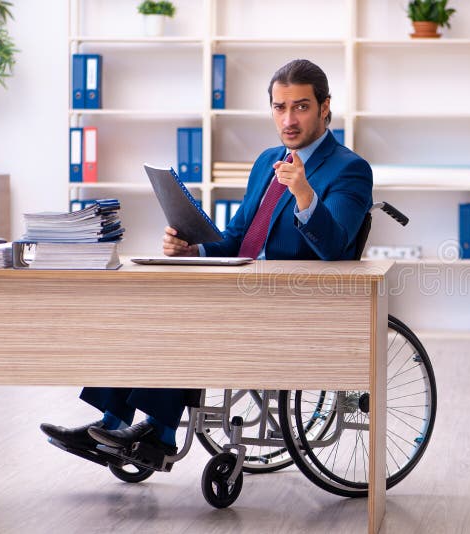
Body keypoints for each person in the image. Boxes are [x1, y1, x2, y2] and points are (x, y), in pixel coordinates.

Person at [41, 59, 373, 461]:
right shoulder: (269, 160)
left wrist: (304, 194)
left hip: (294, 304)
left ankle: (159, 433)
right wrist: (193, 251)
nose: (288, 119)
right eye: (279, 107)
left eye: (300, 106)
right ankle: (110, 424)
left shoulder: (350, 169)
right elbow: (237, 239)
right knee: (142, 302)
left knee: (188, 314)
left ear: (324, 107)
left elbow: (336, 248)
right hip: (240, 289)